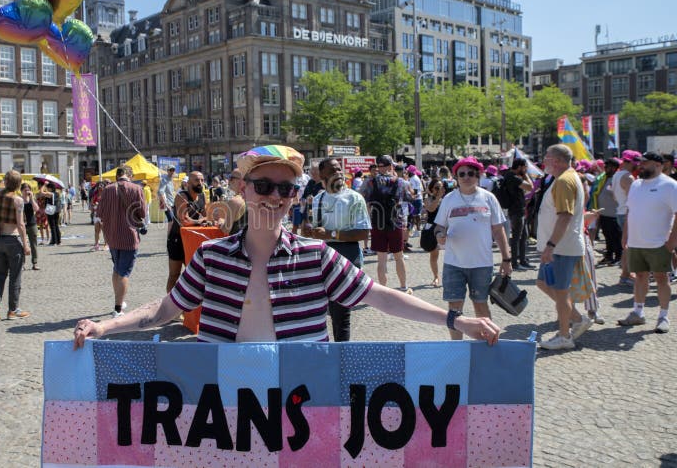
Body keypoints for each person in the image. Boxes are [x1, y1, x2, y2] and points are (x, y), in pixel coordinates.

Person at [73, 145, 501, 347]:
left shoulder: (317, 258)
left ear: (296, 195)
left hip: (301, 402)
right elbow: (164, 309)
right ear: (244, 188)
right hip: (226, 401)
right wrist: (104, 327)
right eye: (264, 185)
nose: (275, 196)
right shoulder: (212, 256)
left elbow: (382, 298)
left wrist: (457, 321)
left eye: (286, 188)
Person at [434, 157, 512, 341]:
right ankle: (457, 348)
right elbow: (439, 226)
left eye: (471, 173)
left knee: (481, 306)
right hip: (454, 263)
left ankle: (488, 344)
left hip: (481, 264)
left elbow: (499, 230)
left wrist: (506, 259)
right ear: (456, 177)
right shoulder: (449, 199)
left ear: (478, 175)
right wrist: (439, 235)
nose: (466, 177)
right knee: (454, 310)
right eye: (462, 174)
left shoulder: (488, 198)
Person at [307, 157, 371, 341]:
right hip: (323, 255)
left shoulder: (354, 197)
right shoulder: (318, 199)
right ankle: (325, 351)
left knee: (341, 314)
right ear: (322, 176)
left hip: (348, 254)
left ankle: (341, 355)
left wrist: (331, 234)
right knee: (325, 311)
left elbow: (363, 233)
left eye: (339, 169)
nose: (338, 173)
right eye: (333, 170)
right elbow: (318, 230)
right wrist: (310, 232)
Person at [536, 144, 592, 350]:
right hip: (559, 246)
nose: (544, 161)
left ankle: (564, 335)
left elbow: (565, 215)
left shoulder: (564, 181)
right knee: (543, 283)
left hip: (561, 247)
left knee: (560, 291)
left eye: (547, 157)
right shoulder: (566, 178)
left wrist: (551, 245)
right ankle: (578, 319)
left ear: (557, 161)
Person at [617, 152, 677, 334]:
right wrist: (625, 235)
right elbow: (630, 211)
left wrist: (672, 242)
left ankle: (663, 316)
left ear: (658, 165)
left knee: (661, 279)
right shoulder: (636, 184)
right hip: (636, 242)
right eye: (640, 163)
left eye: (645, 163)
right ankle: (638, 312)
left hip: (659, 243)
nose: (641, 166)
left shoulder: (670, 185)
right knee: (640, 277)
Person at [96, 165, 148, 317]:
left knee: (116, 269)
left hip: (111, 236)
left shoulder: (107, 189)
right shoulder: (136, 189)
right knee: (124, 272)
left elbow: (100, 213)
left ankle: (118, 299)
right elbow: (142, 213)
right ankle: (118, 308)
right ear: (130, 175)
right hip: (128, 236)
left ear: (117, 176)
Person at [0, 170, 32, 322]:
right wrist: (26, 244)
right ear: (18, 184)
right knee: (15, 276)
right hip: (13, 239)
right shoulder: (18, 200)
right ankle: (13, 310)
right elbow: (21, 224)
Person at [360, 155, 411, 291]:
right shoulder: (400, 182)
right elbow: (408, 198)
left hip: (377, 223)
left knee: (381, 259)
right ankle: (403, 286)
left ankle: (383, 289)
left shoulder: (370, 181)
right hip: (396, 223)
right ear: (390, 166)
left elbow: (363, 198)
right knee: (399, 257)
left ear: (378, 166)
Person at [165, 171, 208, 293]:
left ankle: (190, 304)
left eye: (202, 180)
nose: (200, 183)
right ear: (188, 183)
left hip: (193, 240)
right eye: (196, 180)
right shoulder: (182, 196)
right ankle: (170, 304)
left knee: (196, 275)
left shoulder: (203, 196)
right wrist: (200, 221)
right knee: (174, 274)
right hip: (177, 240)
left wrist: (204, 220)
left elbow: (206, 216)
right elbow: (184, 220)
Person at [612, 149, 642, 286]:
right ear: (631, 162)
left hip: (620, 211)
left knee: (627, 245)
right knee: (630, 246)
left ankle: (625, 275)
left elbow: (614, 196)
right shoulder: (628, 177)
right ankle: (626, 275)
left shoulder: (617, 175)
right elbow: (633, 199)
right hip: (628, 213)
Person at [502, 158, 535, 270]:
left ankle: (523, 260)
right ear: (520, 167)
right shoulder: (513, 177)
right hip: (516, 211)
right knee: (517, 237)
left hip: (519, 210)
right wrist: (525, 175)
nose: (526, 169)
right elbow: (530, 187)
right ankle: (515, 263)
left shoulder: (509, 176)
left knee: (523, 236)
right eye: (525, 167)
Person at [592, 158, 622, 265]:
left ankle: (618, 257)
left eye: (607, 167)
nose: (605, 169)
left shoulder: (616, 179)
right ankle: (609, 255)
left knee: (616, 237)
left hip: (614, 214)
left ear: (614, 168)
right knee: (607, 236)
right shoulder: (604, 178)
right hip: (604, 214)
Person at [422, 178, 445, 287]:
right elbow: (431, 209)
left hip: (446, 228)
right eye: (436, 187)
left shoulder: (448, 199)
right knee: (434, 254)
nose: (439, 190)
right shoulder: (428, 199)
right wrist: (438, 197)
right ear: (431, 189)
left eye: (441, 187)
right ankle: (436, 277)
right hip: (432, 229)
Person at [21, 182, 40, 270]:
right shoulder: (19, 200)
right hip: (22, 225)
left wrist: (31, 198)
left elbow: (36, 209)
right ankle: (22, 263)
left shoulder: (32, 199)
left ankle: (35, 263)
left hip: (32, 224)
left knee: (34, 245)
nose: (27, 192)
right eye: (25, 190)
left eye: (28, 190)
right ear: (21, 191)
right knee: (21, 245)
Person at [157, 166, 177, 230]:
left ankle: (171, 237)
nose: (172, 172)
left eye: (173, 170)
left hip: (173, 203)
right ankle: (169, 238)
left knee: (173, 221)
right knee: (171, 221)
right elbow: (161, 192)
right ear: (167, 171)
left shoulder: (171, 180)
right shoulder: (165, 179)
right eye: (170, 170)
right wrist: (166, 204)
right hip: (168, 204)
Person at [91, 181, 108, 251]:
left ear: (104, 187)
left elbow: (108, 204)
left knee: (104, 230)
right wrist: (93, 205)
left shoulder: (106, 195)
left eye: (101, 186)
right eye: (99, 186)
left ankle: (106, 244)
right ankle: (96, 244)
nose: (100, 187)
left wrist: (100, 205)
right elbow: (91, 203)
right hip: (96, 214)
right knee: (96, 230)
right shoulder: (95, 195)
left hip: (103, 215)